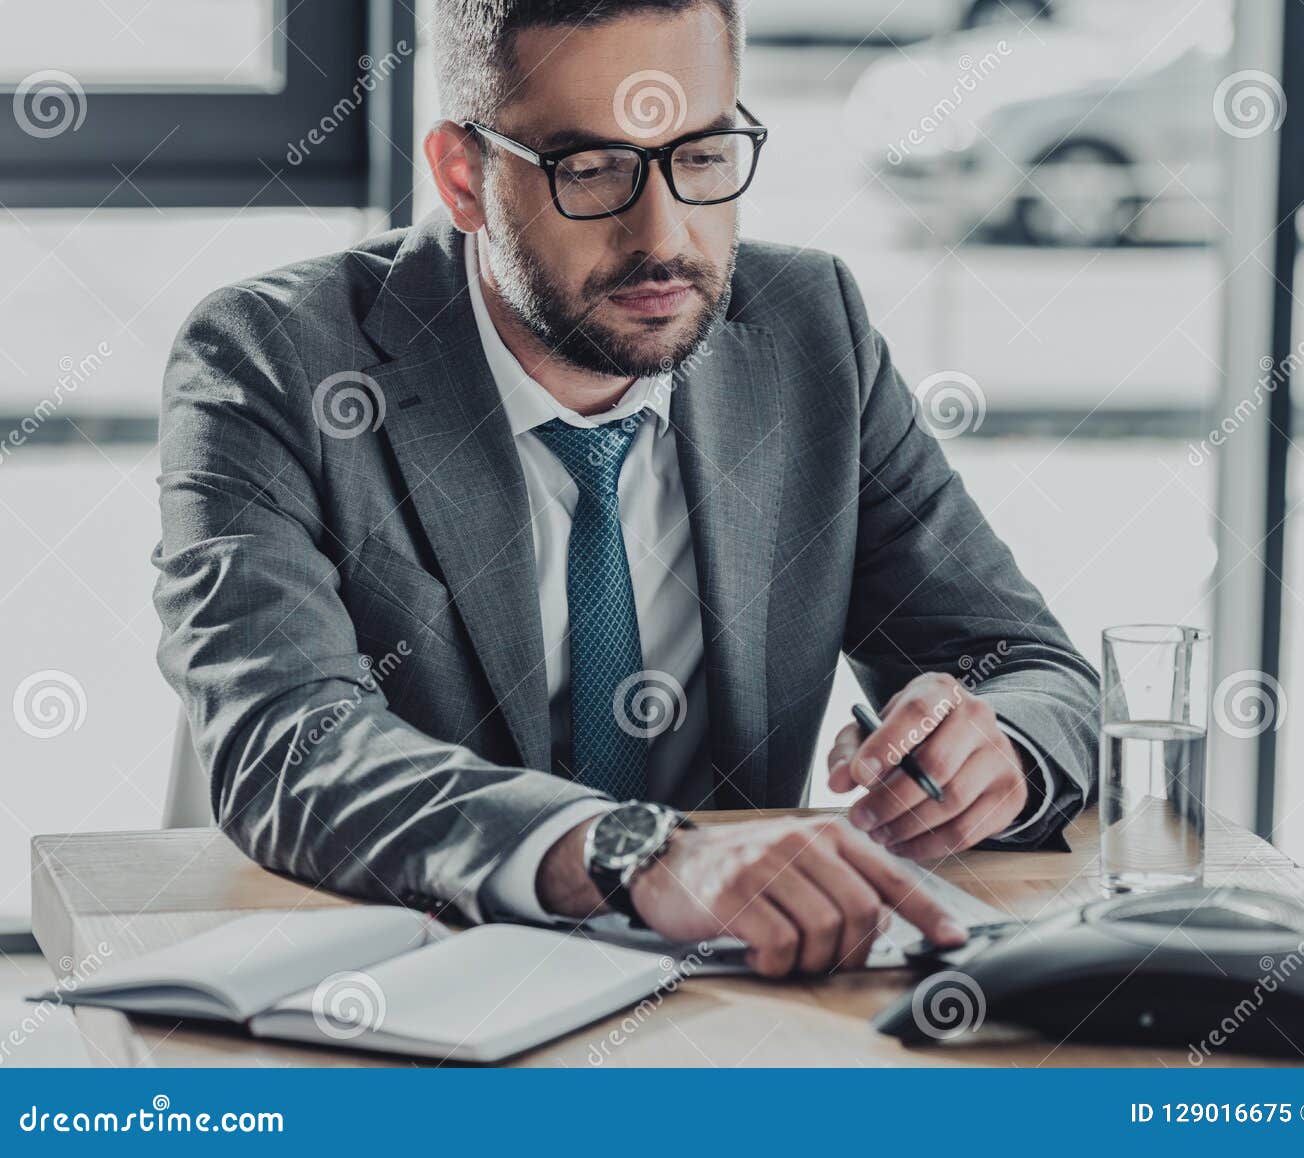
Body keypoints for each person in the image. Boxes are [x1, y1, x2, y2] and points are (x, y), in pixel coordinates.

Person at [153, 0, 1099, 978]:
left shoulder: (810, 331)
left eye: (699, 155)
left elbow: (1027, 667)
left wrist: (999, 756)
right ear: (462, 177)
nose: (663, 234)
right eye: (591, 168)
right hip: (412, 1007)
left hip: (748, 1005)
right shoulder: (273, 361)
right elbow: (289, 748)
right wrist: (634, 855)